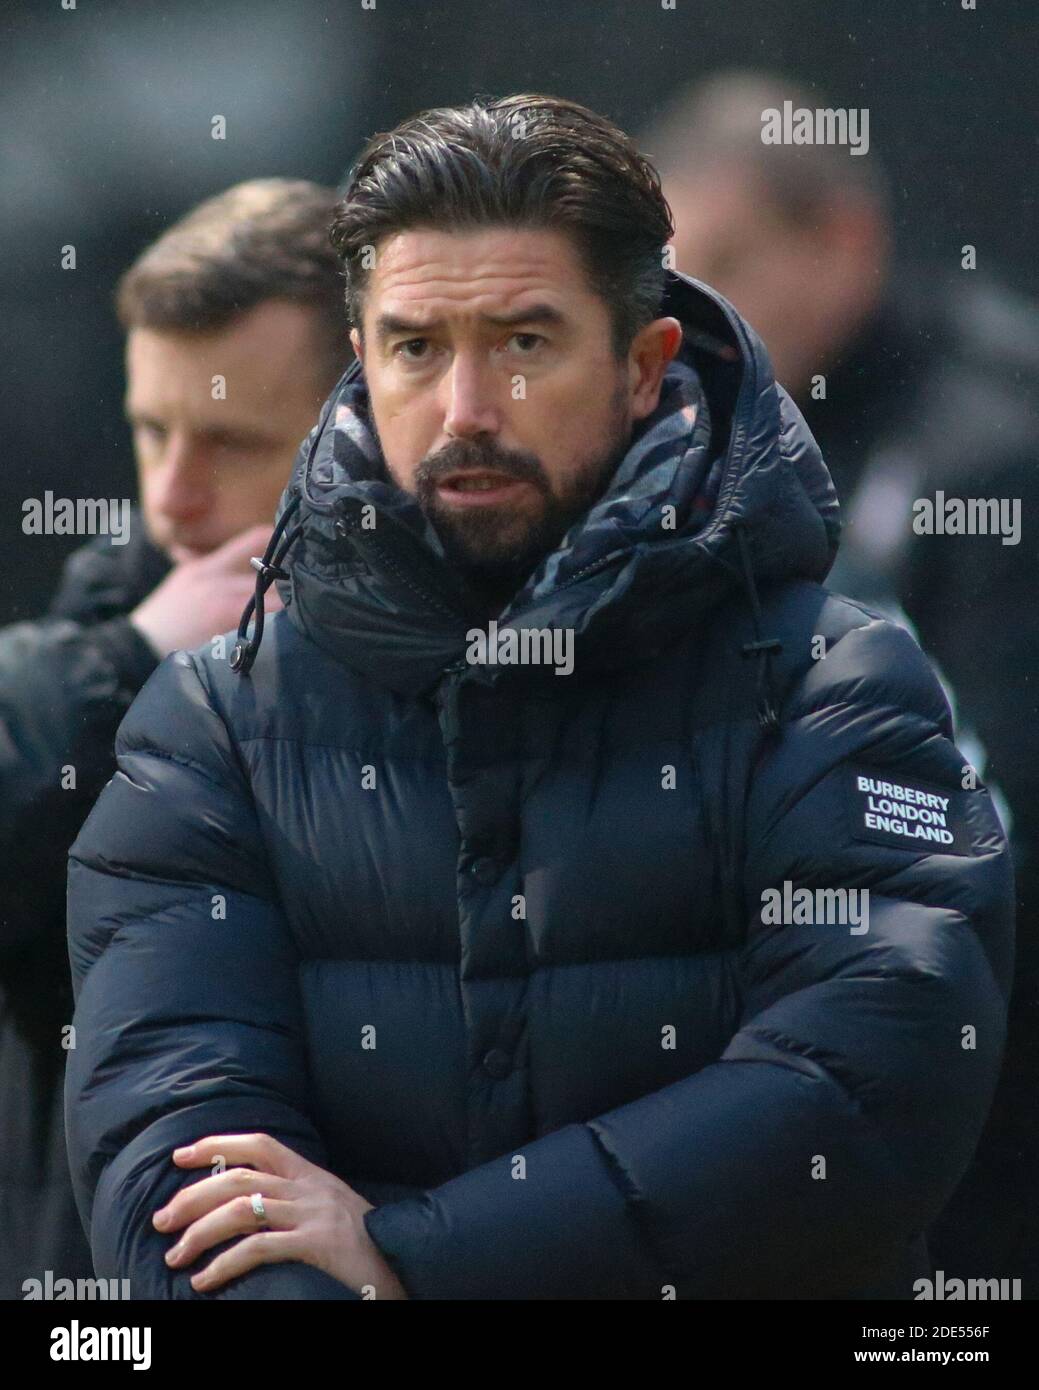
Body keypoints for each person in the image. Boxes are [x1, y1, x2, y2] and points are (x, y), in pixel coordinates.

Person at [66, 95, 1013, 1301]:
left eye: (523, 343)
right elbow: (179, 1176)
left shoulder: (840, 688)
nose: (465, 410)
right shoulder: (211, 726)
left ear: (641, 365)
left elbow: (859, 1099)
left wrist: (418, 1256)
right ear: (360, 363)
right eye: (416, 347)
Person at [643, 70, 1039, 1286]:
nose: (690, 313)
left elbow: (998, 829)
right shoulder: (709, 429)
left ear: (844, 240)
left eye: (725, 260)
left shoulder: (996, 446)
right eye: (668, 276)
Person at [0, 177, 350, 1298]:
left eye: (232, 441)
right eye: (151, 429)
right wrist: (131, 657)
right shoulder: (121, 607)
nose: (172, 496)